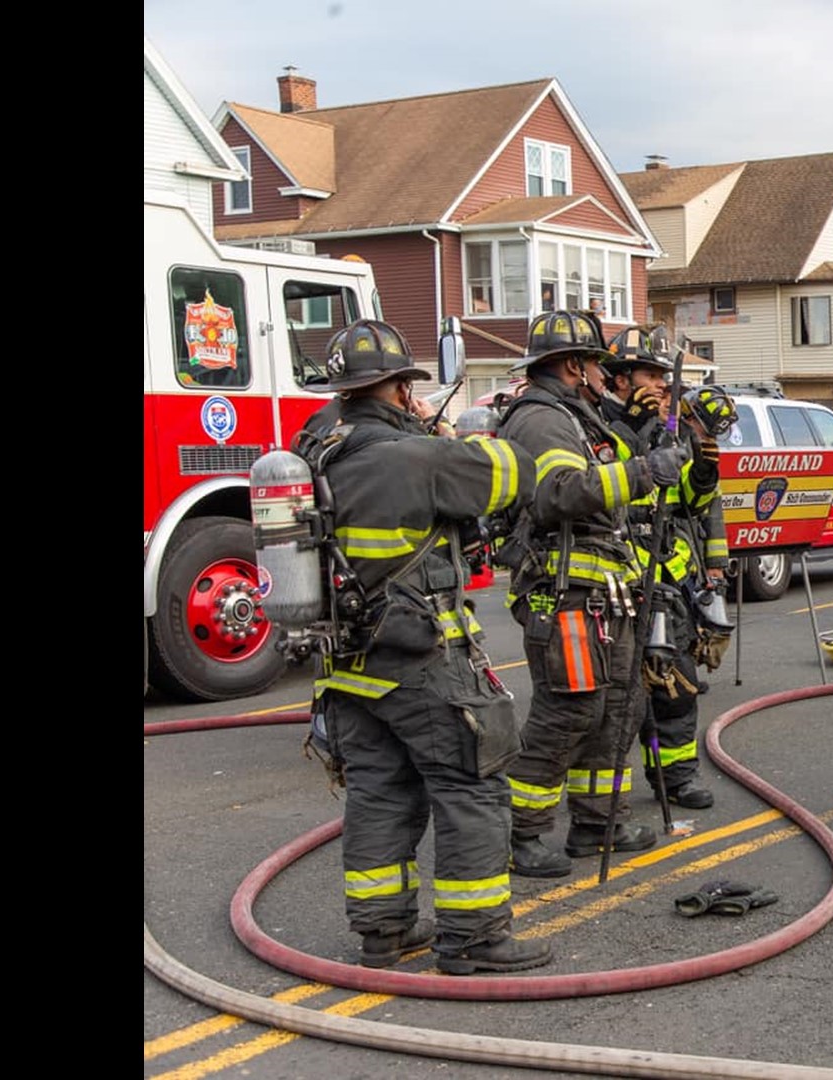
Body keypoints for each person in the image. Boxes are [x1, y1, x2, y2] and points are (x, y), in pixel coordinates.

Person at [296, 318, 551, 975]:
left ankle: (382, 932)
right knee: (474, 785)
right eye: (410, 388)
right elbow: (511, 475)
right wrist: (442, 432)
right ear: (400, 388)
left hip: (347, 665)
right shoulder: (413, 456)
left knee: (380, 791)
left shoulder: (312, 449)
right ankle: (473, 939)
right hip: (418, 656)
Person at [495, 310, 692, 878]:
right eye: (598, 367)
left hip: (606, 591)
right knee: (569, 712)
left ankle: (597, 824)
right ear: (575, 366)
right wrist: (644, 471)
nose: (606, 378)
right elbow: (558, 494)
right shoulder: (541, 419)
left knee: (618, 709)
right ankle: (522, 833)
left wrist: (649, 454)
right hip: (565, 594)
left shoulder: (579, 419)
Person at [599, 326, 734, 812]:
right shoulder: (595, 426)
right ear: (619, 378)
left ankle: (675, 778)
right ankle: (602, 801)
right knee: (619, 700)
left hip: (668, 579)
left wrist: (702, 475)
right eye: (649, 373)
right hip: (614, 577)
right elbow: (606, 489)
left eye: (662, 374)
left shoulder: (669, 430)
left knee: (676, 686)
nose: (659, 383)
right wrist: (633, 434)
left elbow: (690, 505)